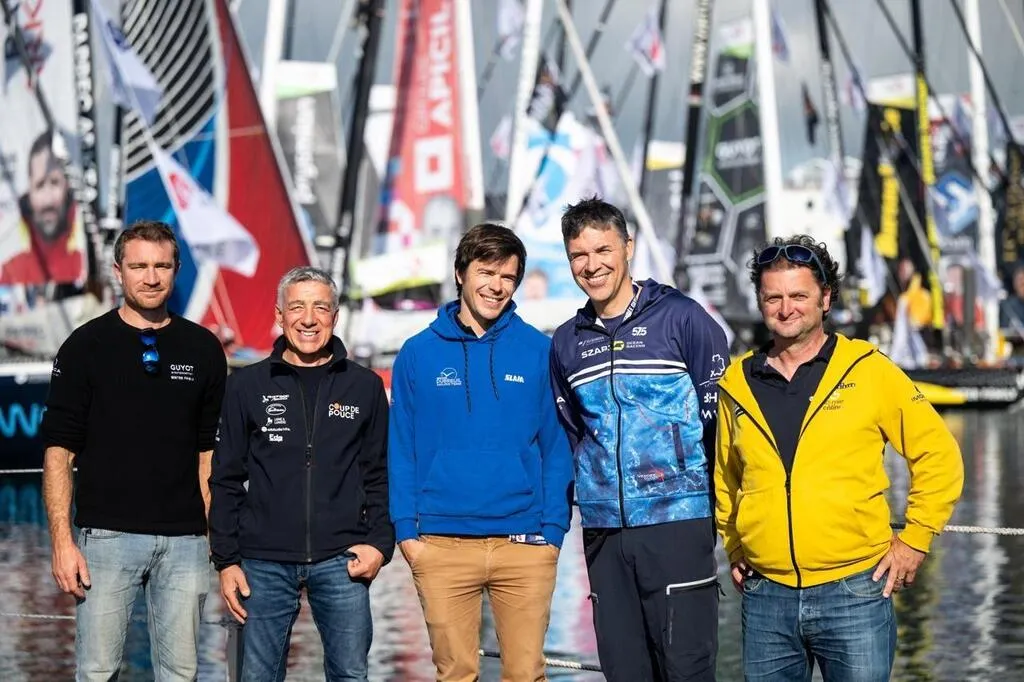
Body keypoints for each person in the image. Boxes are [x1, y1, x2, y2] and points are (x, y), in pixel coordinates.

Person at [714, 235, 964, 681]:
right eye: (773, 297)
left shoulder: (867, 370)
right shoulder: (737, 382)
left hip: (854, 592)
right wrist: (734, 542)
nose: (786, 308)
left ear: (825, 299)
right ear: (760, 301)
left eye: (799, 296)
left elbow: (938, 455)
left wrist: (915, 539)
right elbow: (726, 478)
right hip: (766, 595)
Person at [549, 198, 728, 681]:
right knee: (624, 671)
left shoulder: (683, 318)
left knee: (686, 669)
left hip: (678, 522)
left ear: (628, 247)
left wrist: (720, 511)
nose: (592, 265)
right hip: (604, 530)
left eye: (603, 250)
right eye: (578, 255)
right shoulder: (567, 341)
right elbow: (573, 435)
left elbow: (722, 429)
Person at [40, 220, 227, 681]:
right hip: (105, 540)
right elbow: (59, 452)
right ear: (118, 271)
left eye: (161, 266)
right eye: (139, 266)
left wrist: (217, 541)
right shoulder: (85, 346)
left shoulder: (203, 348)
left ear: (176, 270)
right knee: (98, 672)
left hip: (186, 544)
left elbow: (209, 455)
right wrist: (63, 543)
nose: (150, 276)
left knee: (181, 673)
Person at [388, 223, 574, 682]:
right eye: (486, 272)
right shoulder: (417, 354)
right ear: (460, 273)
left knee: (527, 675)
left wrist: (552, 529)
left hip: (525, 544)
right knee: (455, 676)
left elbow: (556, 446)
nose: (496, 286)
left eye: (508, 277)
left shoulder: (539, 350)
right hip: (440, 544)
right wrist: (407, 533)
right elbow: (402, 449)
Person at [209, 266, 393, 681]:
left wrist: (380, 544)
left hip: (343, 559)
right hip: (262, 563)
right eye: (297, 307)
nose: (308, 319)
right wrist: (226, 559)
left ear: (335, 315)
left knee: (350, 674)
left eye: (320, 308)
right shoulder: (247, 385)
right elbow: (226, 478)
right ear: (279, 314)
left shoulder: (363, 387)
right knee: (257, 677)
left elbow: (380, 473)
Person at [0, 129, 84, 285]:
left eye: (54, 182)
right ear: (28, 196)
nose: (48, 198)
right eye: (39, 185)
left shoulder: (84, 265)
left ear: (67, 189)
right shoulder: (11, 271)